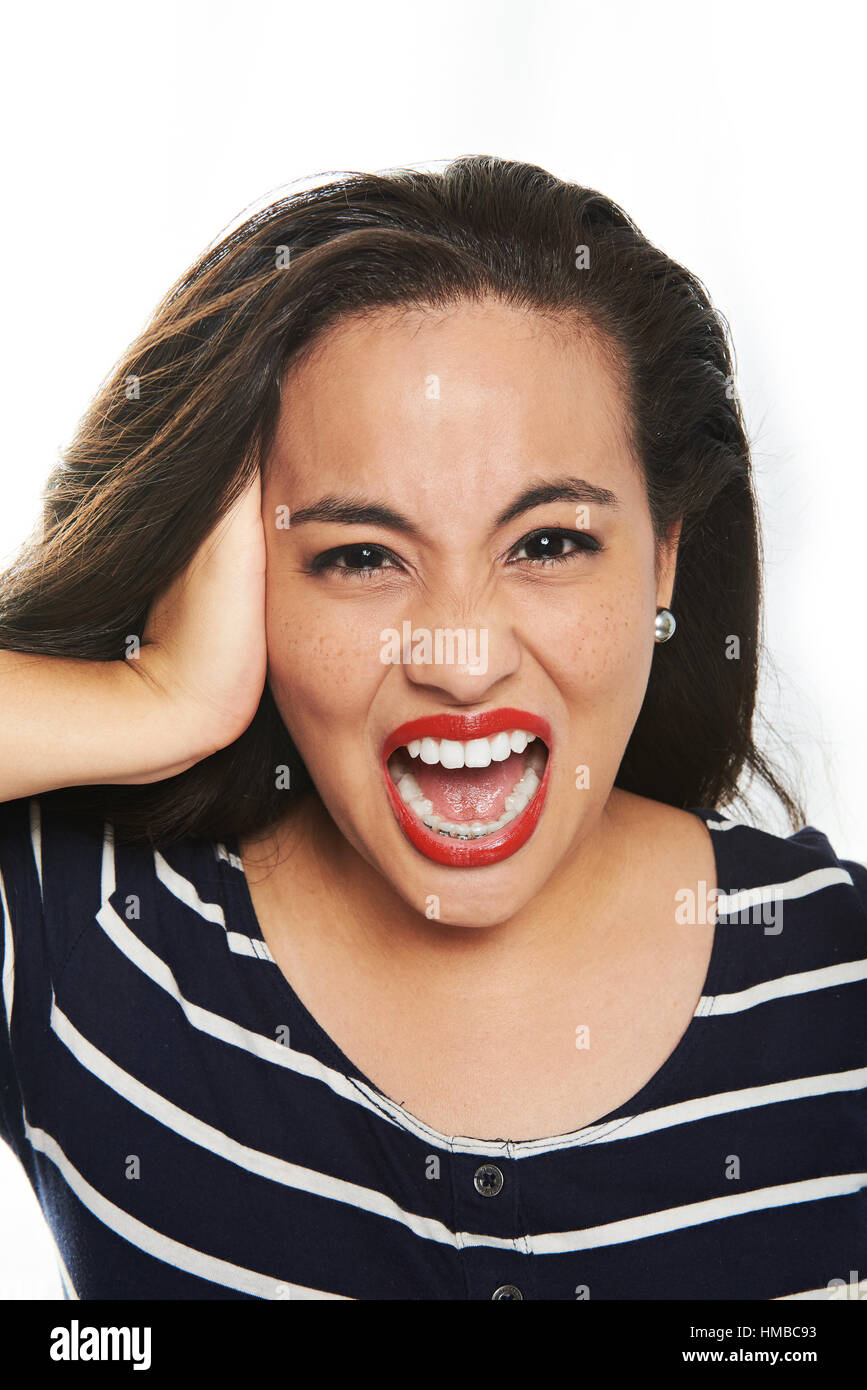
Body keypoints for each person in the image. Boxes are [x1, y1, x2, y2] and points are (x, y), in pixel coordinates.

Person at [0, 156, 864, 1301]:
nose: (462, 661)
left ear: (662, 554)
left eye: (548, 543)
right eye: (360, 556)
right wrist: (162, 700)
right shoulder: (90, 930)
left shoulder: (842, 987)